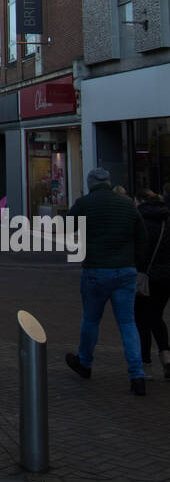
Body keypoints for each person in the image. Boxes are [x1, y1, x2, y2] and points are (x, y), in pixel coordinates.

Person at [65, 168, 151, 394]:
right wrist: (134, 262)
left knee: (91, 319)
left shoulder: (85, 203)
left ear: (90, 183)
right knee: (127, 322)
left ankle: (84, 362)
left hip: (96, 270)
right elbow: (142, 238)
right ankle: (137, 374)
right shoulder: (126, 204)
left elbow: (66, 226)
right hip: (125, 271)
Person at [133, 189, 170, 378]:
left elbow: (138, 251)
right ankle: (166, 356)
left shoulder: (141, 221)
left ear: (141, 202)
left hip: (146, 277)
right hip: (166, 278)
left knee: (141, 319)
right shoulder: (167, 218)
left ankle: (145, 361)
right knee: (157, 317)